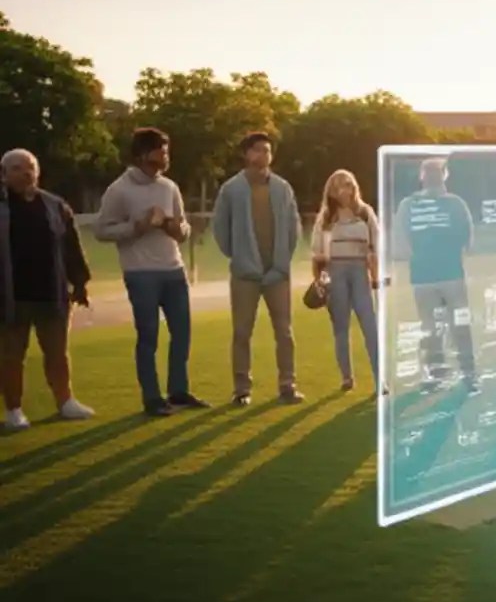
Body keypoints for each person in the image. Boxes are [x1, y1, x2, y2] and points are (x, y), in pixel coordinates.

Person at [94, 128, 208, 416]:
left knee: (182, 333)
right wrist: (138, 225)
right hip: (140, 272)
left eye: (167, 150)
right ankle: (152, 397)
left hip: (173, 269)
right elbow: (102, 230)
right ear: (143, 154)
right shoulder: (119, 189)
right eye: (161, 150)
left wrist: (173, 226)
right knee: (149, 336)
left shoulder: (169, 187)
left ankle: (179, 392)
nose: (166, 156)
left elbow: (183, 230)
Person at [0, 149, 95, 430]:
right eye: (17, 168)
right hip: (10, 297)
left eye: (30, 167)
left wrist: (79, 283)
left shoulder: (55, 206)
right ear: (4, 175)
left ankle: (65, 402)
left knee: (57, 353)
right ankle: (14, 410)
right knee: (11, 357)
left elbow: (72, 248)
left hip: (51, 294)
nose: (25, 173)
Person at [211, 132, 304, 406]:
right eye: (258, 150)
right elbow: (220, 230)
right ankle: (242, 389)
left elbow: (293, 228)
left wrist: (282, 262)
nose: (263, 155)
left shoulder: (283, 188)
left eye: (267, 150)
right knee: (242, 332)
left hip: (277, 273)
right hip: (245, 275)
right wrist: (239, 258)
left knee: (284, 332)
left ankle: (287, 384)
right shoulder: (231, 189)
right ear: (246, 154)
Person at [393, 157, 478, 395]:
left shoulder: (412, 204)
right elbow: (468, 239)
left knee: (439, 326)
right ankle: (454, 373)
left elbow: (401, 241)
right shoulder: (451, 203)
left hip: (434, 275)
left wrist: (420, 256)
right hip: (441, 275)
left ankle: (447, 373)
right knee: (444, 326)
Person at [310, 169, 380, 393]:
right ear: (331, 190)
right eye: (339, 185)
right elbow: (318, 253)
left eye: (348, 184)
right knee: (341, 328)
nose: (344, 190)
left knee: (370, 326)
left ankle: (380, 380)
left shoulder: (365, 213)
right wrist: (319, 281)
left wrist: (375, 276)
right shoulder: (326, 218)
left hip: (360, 271)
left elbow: (376, 246)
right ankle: (347, 377)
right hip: (336, 272)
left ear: (354, 187)